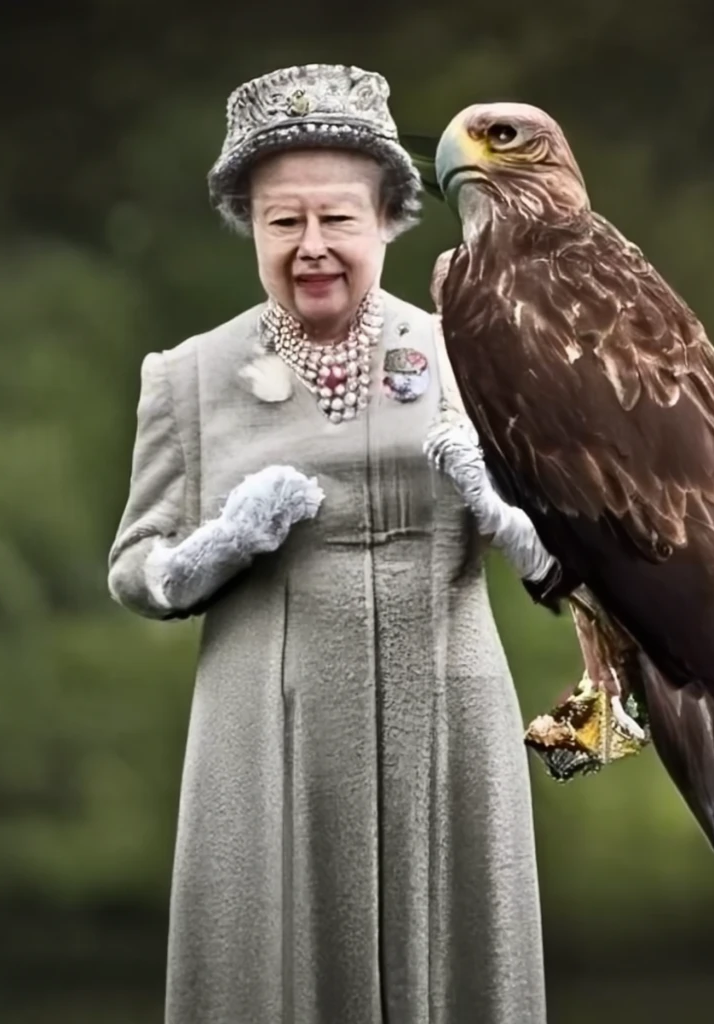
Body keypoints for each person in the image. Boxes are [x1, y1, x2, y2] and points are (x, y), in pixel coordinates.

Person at [107, 63, 551, 1024]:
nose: (312, 247)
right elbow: (137, 565)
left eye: (338, 220)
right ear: (251, 228)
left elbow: (565, 545)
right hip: (266, 731)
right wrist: (212, 550)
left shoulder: (469, 350)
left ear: (389, 218)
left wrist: (505, 505)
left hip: (449, 712)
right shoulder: (188, 376)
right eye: (283, 222)